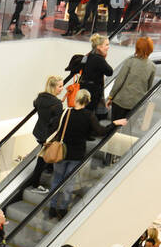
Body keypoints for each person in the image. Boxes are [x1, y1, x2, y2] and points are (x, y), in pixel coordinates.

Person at [48, 88, 127, 219]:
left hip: (60, 152)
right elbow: (101, 131)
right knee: (69, 183)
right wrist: (114, 123)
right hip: (76, 154)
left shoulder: (65, 113)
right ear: (88, 101)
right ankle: (62, 209)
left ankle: (51, 207)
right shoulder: (89, 116)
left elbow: (53, 126)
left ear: (76, 99)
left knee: (56, 180)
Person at [107, 36, 155, 121]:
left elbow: (119, 81)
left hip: (121, 101)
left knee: (114, 127)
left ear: (137, 48)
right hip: (136, 104)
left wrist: (111, 97)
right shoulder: (152, 66)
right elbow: (149, 87)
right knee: (127, 129)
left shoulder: (130, 61)